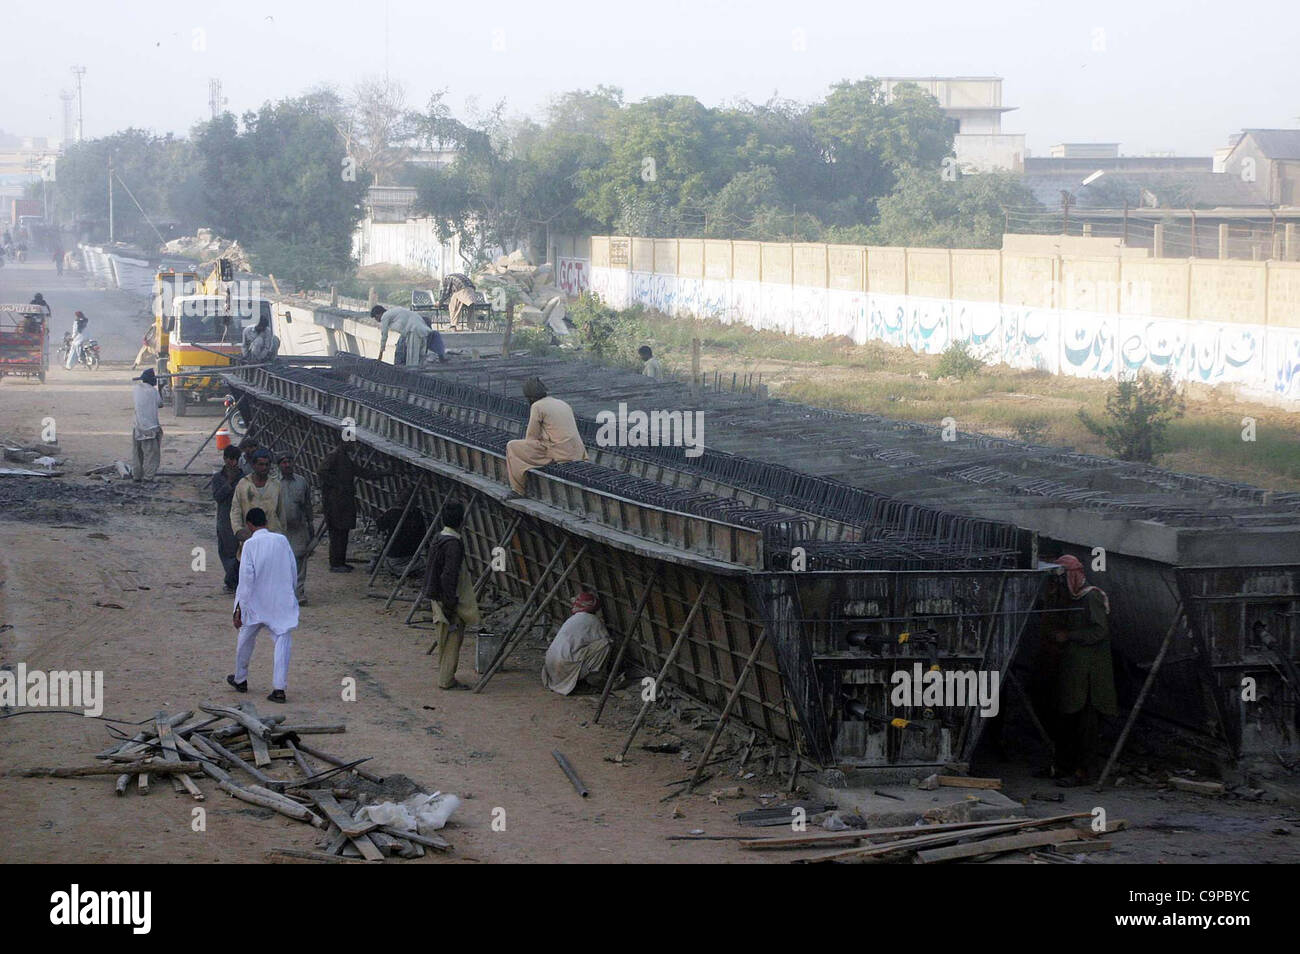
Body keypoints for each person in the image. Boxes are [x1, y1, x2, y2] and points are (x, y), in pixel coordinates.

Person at [1049, 553, 1118, 787]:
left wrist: (1070, 636)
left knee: (1086, 728)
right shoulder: (1072, 599)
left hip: (1089, 677)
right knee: (1067, 723)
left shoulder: (1091, 597)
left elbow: (1100, 631)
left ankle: (1083, 773)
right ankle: (1062, 768)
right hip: (1074, 673)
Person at [228, 507, 299, 704]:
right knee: (282, 640)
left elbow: (246, 580)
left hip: (256, 602)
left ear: (249, 524)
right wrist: (290, 594)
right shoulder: (282, 540)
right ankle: (279, 689)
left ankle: (240, 678)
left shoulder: (250, 545)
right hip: (280, 601)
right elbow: (293, 569)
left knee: (245, 638)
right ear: (265, 522)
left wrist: (238, 609)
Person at [420, 500, 479, 690]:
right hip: (446, 597)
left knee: (444, 637)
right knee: (452, 639)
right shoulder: (453, 544)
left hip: (435, 594)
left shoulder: (439, 537)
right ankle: (446, 679)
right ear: (461, 521)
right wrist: (450, 603)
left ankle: (445, 677)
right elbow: (449, 575)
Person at [505, 377, 588, 496]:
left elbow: (531, 437)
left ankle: (518, 490)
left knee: (512, 446)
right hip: (578, 452)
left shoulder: (537, 406)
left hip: (559, 453)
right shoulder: (562, 403)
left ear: (530, 397)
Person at [317, 440, 389, 572]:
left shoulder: (344, 458)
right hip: (335, 503)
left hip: (342, 502)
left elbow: (362, 472)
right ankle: (336, 564)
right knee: (337, 533)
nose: (353, 447)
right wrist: (339, 485)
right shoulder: (334, 456)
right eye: (351, 444)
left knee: (342, 531)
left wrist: (383, 473)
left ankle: (340, 562)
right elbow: (322, 471)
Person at [542, 591, 613, 696]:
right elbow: (604, 638)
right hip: (564, 666)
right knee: (606, 644)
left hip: (551, 665)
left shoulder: (573, 619)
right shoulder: (593, 620)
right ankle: (595, 678)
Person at [230, 449, 284, 559]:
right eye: (261, 464)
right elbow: (235, 510)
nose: (264, 468)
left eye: (267, 465)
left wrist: (281, 535)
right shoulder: (244, 484)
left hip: (271, 536)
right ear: (253, 465)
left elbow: (281, 513)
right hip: (249, 537)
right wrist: (238, 530)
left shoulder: (276, 485)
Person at [277, 451, 313, 604]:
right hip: (279, 529)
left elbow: (307, 505)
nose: (287, 465)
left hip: (298, 528)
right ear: (278, 465)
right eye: (283, 462)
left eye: (289, 461)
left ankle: (298, 593)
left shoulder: (302, 482)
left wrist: (310, 526)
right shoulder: (273, 483)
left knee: (299, 558)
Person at [211, 445, 244, 593]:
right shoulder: (218, 478)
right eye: (230, 459)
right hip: (224, 520)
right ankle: (232, 581)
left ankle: (234, 582)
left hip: (241, 520)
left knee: (240, 552)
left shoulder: (244, 478)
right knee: (227, 552)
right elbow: (218, 497)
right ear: (225, 459)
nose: (233, 462)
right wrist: (229, 483)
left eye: (235, 459)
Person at [372, 304, 445, 366]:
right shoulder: (394, 311)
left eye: (376, 317)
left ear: (378, 314)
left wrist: (380, 354)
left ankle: (413, 377)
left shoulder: (385, 316)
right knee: (420, 357)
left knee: (412, 359)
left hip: (413, 331)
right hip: (422, 329)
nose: (377, 320)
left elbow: (384, 335)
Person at [131, 369, 165, 481]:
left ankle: (136, 475)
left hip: (137, 427)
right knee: (151, 455)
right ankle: (148, 477)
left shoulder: (136, 389)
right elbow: (160, 404)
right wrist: (160, 389)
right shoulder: (153, 391)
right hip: (150, 428)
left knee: (137, 453)